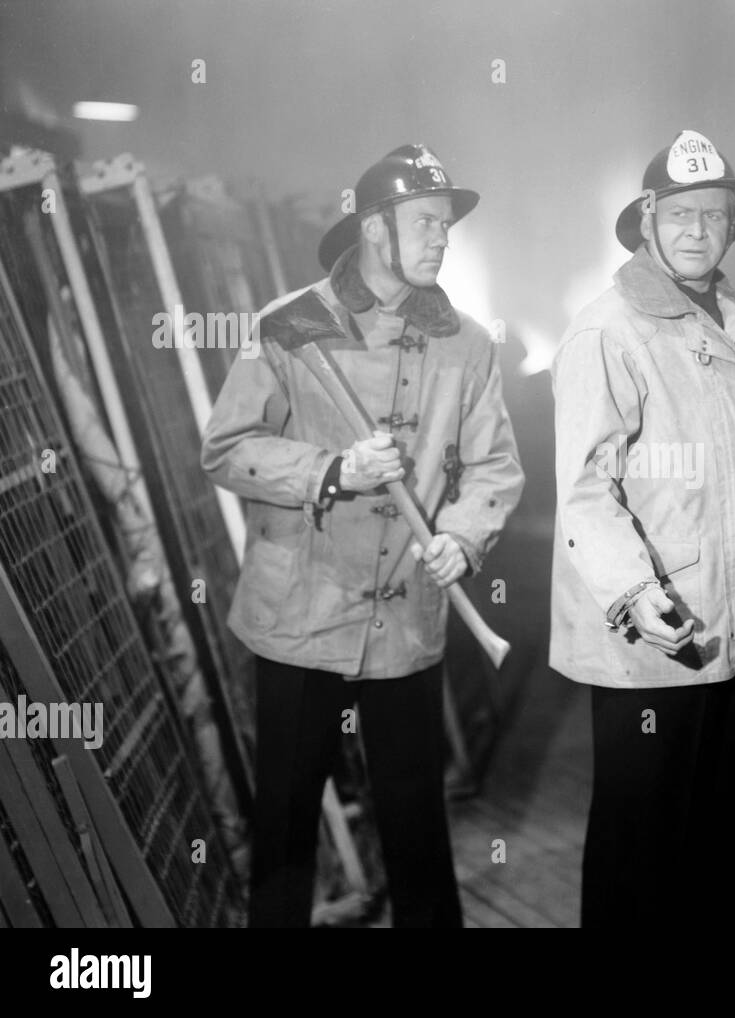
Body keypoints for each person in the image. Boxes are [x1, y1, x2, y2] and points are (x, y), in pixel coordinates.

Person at [202, 143, 524, 927]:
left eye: (445, 226)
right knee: (283, 823)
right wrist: (332, 469)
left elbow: (495, 469)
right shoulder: (288, 326)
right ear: (374, 228)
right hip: (300, 612)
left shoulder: (469, 344)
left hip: (404, 618)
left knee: (416, 822)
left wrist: (463, 536)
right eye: (424, 223)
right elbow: (226, 448)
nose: (441, 239)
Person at [550, 129, 735, 927]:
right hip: (659, 635)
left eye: (715, 214)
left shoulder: (731, 321)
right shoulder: (609, 331)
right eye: (680, 214)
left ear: (731, 227)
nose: (697, 230)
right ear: (648, 221)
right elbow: (586, 488)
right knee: (642, 847)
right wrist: (634, 589)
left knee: (731, 840)